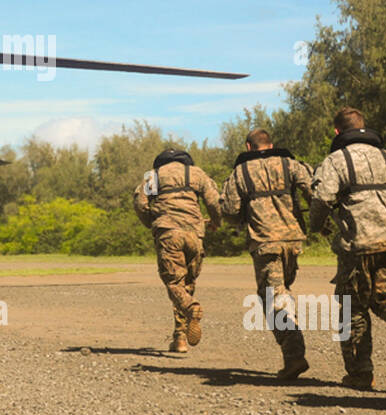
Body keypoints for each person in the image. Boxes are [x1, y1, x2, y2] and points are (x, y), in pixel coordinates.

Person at [309, 107, 386, 391]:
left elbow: (322, 198)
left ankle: (360, 373)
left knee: (352, 307)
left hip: (358, 244)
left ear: (338, 132)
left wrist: (319, 226)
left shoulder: (336, 160)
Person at [219, 129, 314, 379]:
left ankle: (294, 356)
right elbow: (315, 193)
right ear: (271, 144)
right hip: (293, 241)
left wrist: (241, 218)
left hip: (265, 241)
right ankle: (293, 351)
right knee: (283, 290)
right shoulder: (291, 164)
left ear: (249, 147)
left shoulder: (241, 172)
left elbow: (228, 209)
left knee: (273, 296)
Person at [133, 148, 223, 354]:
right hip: (194, 235)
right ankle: (180, 337)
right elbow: (213, 201)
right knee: (187, 285)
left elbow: (140, 203)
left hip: (169, 233)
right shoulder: (196, 173)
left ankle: (191, 308)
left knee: (174, 283)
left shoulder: (153, 175)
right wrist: (215, 222)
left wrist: (153, 222)